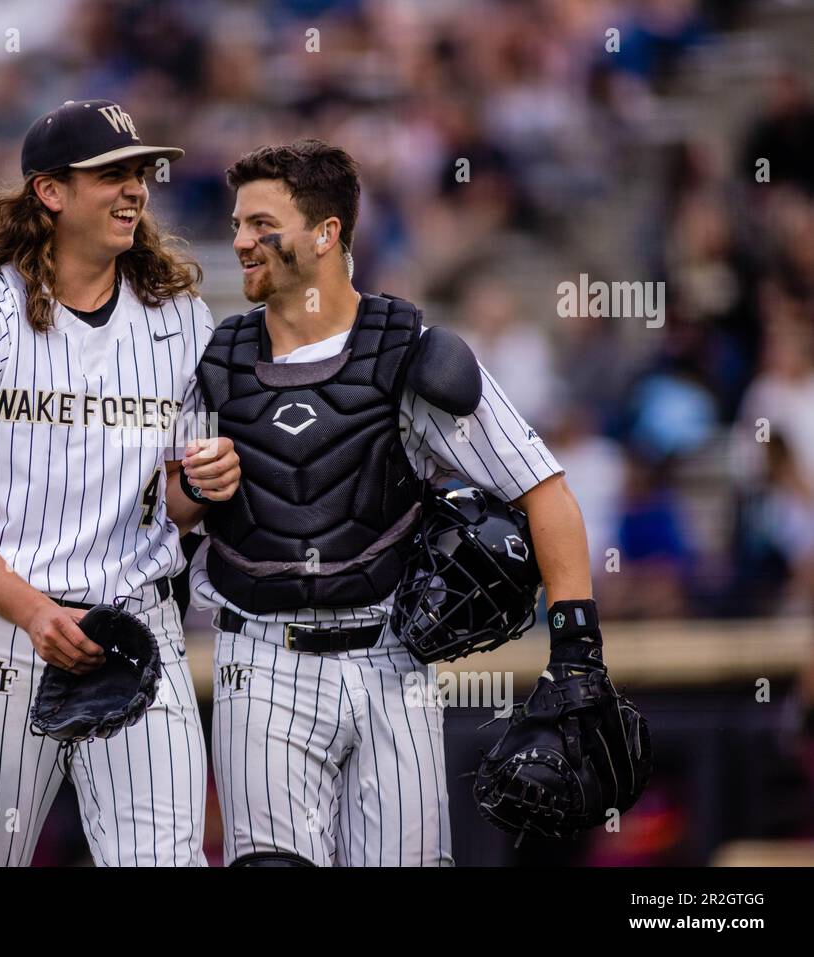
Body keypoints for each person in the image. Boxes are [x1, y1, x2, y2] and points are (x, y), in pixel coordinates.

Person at [193, 139, 600, 866]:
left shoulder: (407, 349)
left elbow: (543, 487)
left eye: (260, 223)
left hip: (391, 658)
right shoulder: (216, 359)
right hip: (258, 659)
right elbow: (166, 509)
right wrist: (192, 487)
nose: (240, 242)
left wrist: (577, 651)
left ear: (326, 234)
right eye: (236, 224)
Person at [0, 100, 240, 866]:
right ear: (51, 192)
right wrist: (33, 612)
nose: (135, 189)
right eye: (111, 175)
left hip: (136, 628)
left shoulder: (181, 321)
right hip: (6, 631)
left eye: (140, 173)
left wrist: (209, 480)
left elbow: (177, 503)